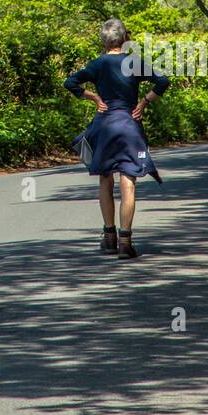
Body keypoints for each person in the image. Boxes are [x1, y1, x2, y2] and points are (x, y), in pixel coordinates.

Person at [64, 18, 169, 259]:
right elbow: (163, 81)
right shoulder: (133, 62)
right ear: (124, 38)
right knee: (128, 180)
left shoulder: (97, 64)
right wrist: (143, 102)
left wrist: (93, 98)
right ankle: (125, 241)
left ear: (104, 40)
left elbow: (70, 82)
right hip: (129, 125)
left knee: (104, 179)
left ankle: (109, 237)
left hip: (105, 125)